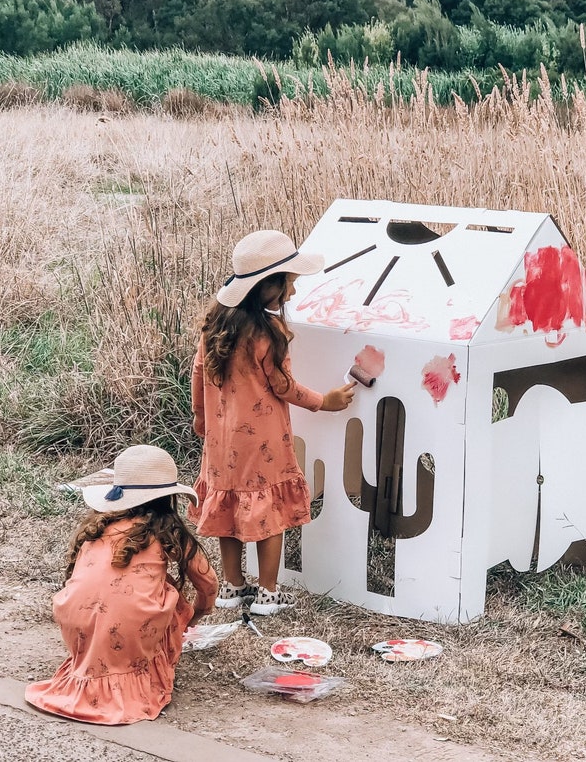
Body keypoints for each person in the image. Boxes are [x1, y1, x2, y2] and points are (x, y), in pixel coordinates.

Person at [190, 229, 354, 616]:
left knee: (227, 510)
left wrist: (201, 420)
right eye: (289, 286)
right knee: (270, 513)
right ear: (267, 287)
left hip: (221, 442)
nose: (292, 295)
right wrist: (324, 402)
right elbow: (284, 387)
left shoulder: (214, 327)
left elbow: (197, 375)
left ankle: (232, 586)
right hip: (264, 443)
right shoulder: (269, 333)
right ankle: (267, 592)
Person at [25, 444, 218, 725]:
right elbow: (208, 583)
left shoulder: (99, 526)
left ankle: (96, 668)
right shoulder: (169, 530)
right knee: (172, 596)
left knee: (133, 590)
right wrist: (197, 613)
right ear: (169, 497)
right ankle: (136, 673)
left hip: (76, 622)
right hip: (128, 628)